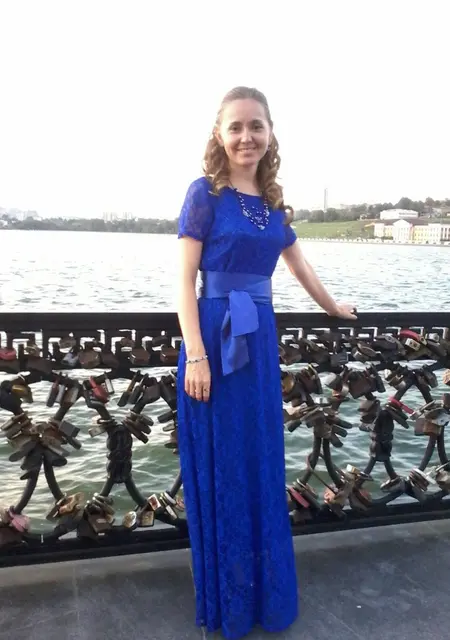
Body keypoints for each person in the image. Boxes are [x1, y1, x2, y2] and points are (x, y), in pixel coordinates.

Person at [176, 86, 356, 639]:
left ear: (271, 132)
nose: (246, 136)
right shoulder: (205, 193)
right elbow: (183, 282)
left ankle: (261, 593)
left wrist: (334, 308)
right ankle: (228, 599)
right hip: (213, 338)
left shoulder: (275, 202)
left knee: (258, 461)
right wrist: (196, 356)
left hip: (257, 342)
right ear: (219, 134)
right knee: (222, 463)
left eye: (256, 125)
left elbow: (299, 267)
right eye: (235, 126)